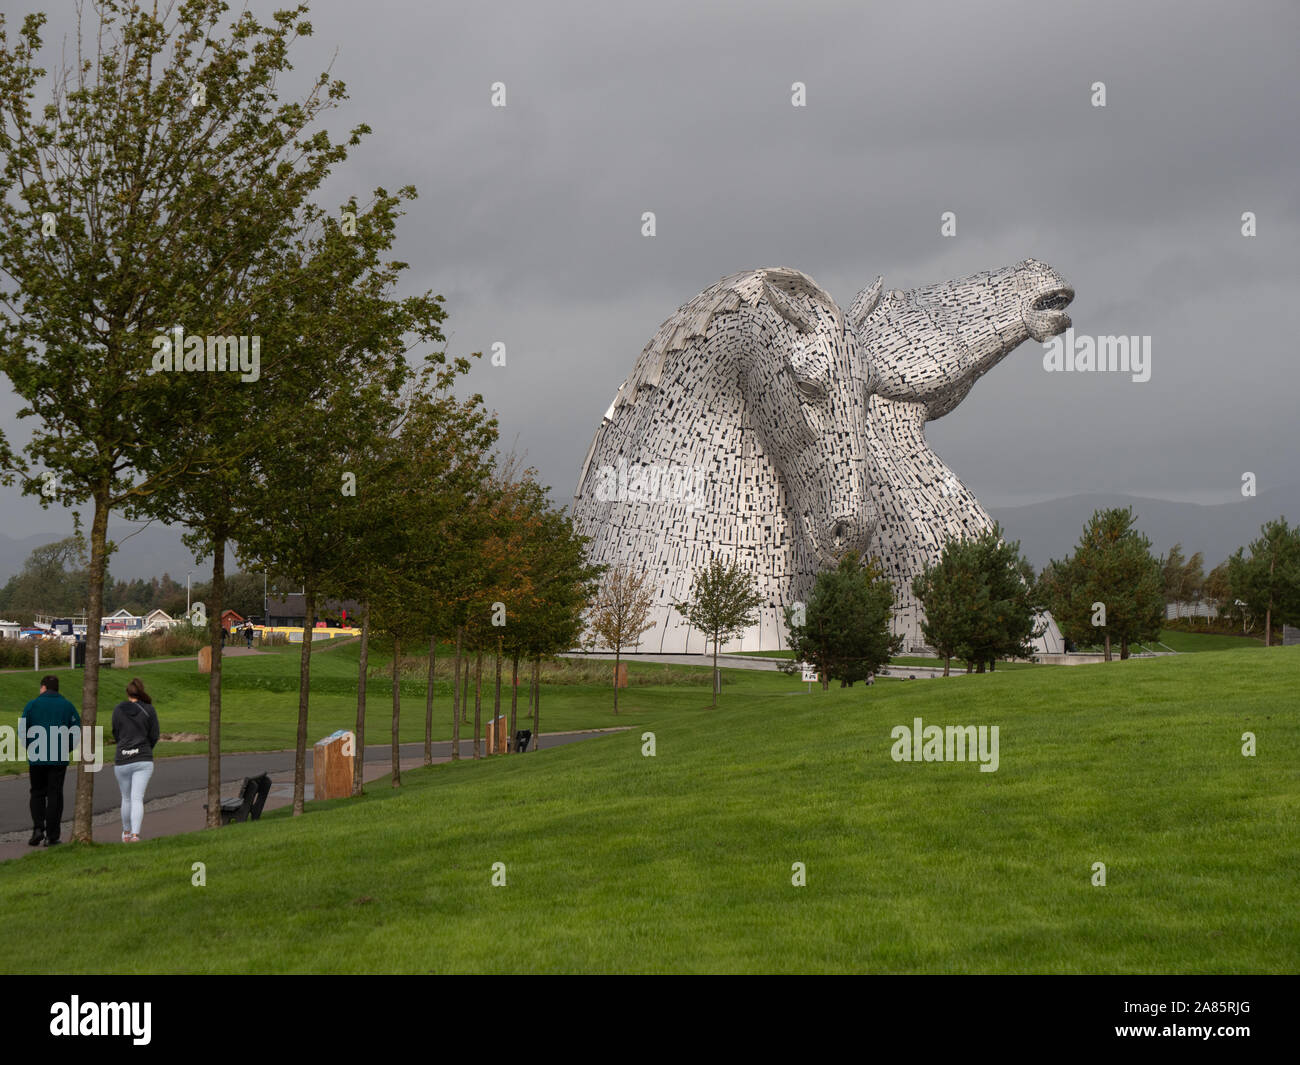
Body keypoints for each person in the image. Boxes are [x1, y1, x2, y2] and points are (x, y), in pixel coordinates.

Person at [20, 675, 81, 847]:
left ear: (44, 688)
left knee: (37, 792)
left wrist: (31, 746)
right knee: (55, 794)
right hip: (58, 756)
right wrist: (67, 747)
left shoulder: (32, 705)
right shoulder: (67, 706)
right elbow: (76, 730)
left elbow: (22, 730)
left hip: (37, 756)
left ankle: (38, 828)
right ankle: (52, 835)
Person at [111, 677, 160, 843]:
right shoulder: (149, 710)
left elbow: (115, 732)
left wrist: (124, 746)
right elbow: (154, 735)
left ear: (128, 693)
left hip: (122, 759)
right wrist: (146, 749)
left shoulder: (118, 710)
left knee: (125, 798)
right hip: (143, 758)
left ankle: (125, 832)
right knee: (137, 798)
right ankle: (135, 835)